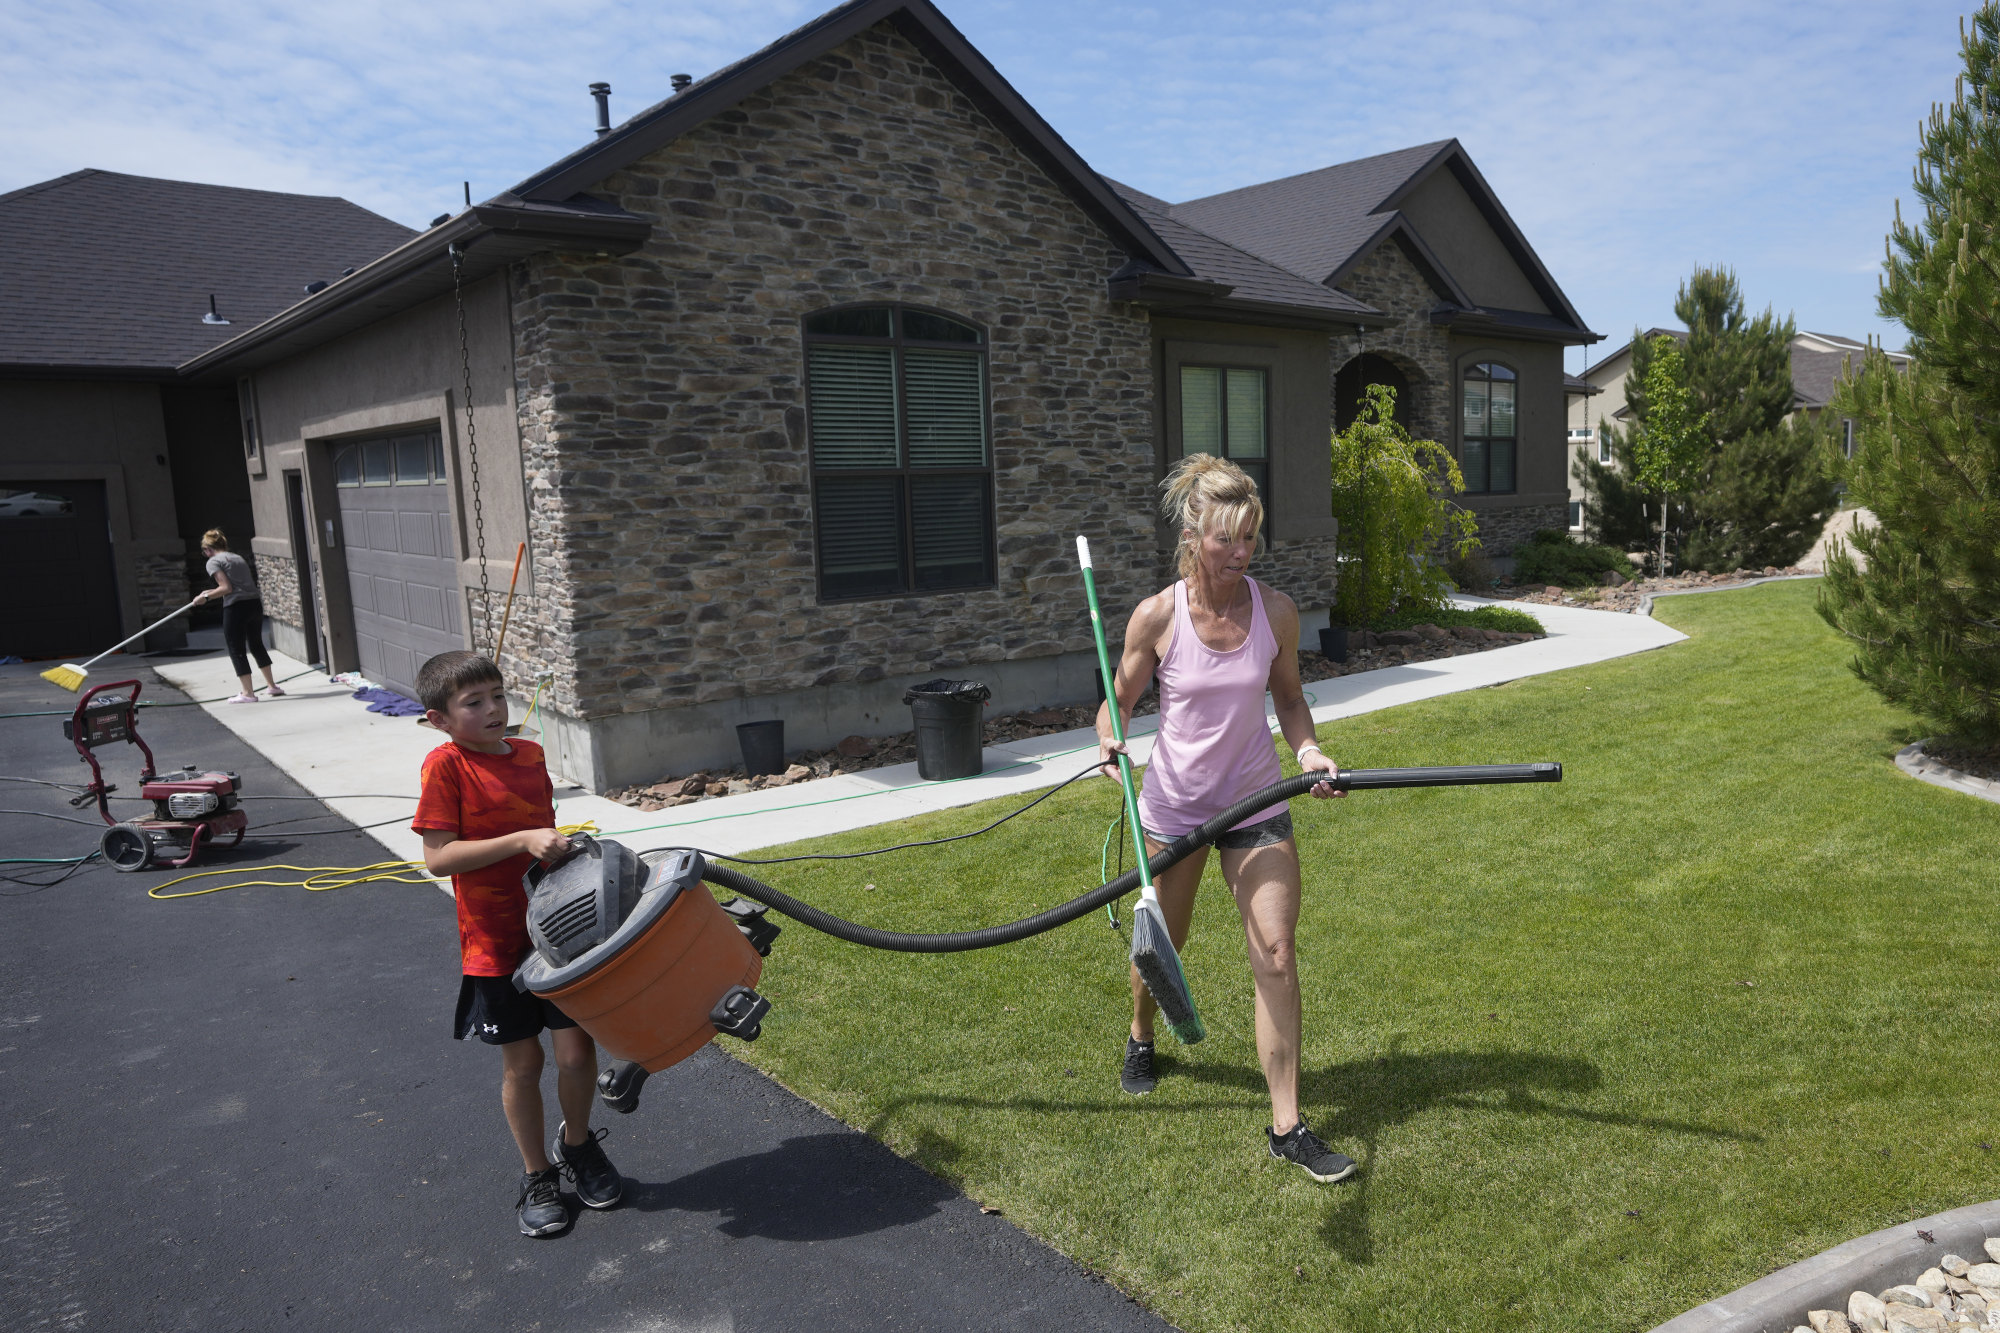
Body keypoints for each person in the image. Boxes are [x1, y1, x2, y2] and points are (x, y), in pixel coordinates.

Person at [1095, 454, 1356, 1184]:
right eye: (1225, 540)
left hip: (1254, 800)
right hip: (1176, 806)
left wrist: (1307, 752)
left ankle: (1287, 1124)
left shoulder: (1275, 611)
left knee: (1275, 950)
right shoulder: (1157, 615)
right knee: (1163, 945)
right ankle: (1143, 1032)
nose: (1239, 553)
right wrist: (1109, 737)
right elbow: (1115, 701)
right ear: (1193, 533)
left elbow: (1292, 699)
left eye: (1249, 539)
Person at [411, 650, 623, 1237]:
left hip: (559, 934)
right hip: (494, 943)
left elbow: (542, 835)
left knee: (577, 1054)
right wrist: (522, 839)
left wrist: (556, 847)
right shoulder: (445, 767)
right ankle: (537, 1174)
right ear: (440, 719)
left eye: (498, 695)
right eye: (473, 703)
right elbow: (437, 859)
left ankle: (577, 1146)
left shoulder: (529, 756)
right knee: (524, 1063)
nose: (493, 709)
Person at [193, 529, 283, 703]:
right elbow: (237, 585)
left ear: (208, 549)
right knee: (257, 644)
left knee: (236, 648)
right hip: (254, 604)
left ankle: (248, 693)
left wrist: (205, 598)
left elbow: (227, 588)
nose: (205, 555)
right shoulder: (237, 558)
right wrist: (210, 591)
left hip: (236, 607)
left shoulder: (213, 561)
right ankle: (272, 686)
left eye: (204, 551)